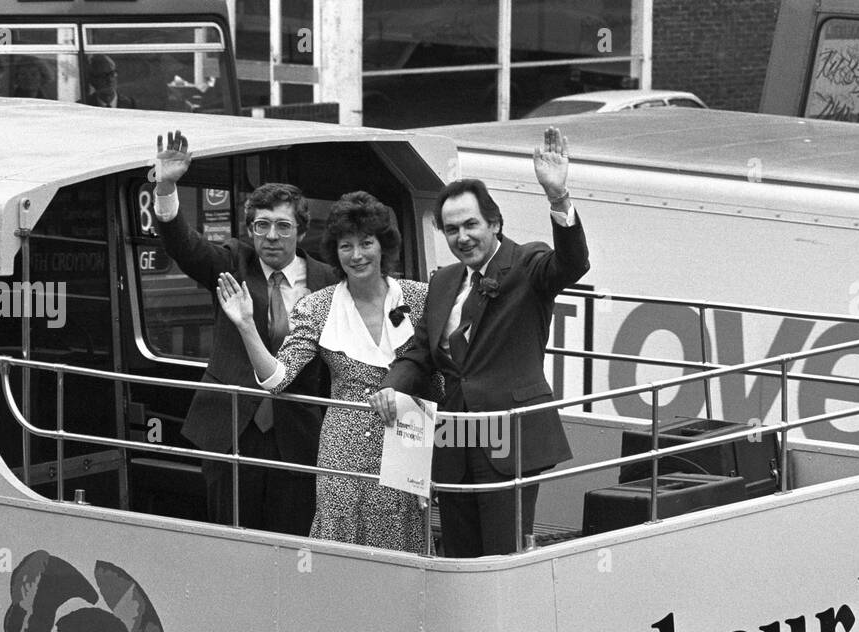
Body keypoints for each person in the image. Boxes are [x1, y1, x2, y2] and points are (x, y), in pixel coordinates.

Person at [369, 127, 589, 557]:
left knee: (504, 554)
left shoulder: (527, 263)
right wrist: (394, 387)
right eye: (451, 230)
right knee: (459, 550)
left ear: (495, 223)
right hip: (454, 437)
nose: (462, 237)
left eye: (471, 225)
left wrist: (559, 198)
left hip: (510, 435)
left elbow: (572, 263)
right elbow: (419, 352)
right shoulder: (444, 281)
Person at [217, 192, 435, 553]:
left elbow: (437, 374)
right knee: (340, 550)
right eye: (346, 246)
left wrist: (428, 457)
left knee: (403, 546)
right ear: (335, 252)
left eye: (366, 243)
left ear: (384, 246)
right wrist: (245, 326)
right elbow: (277, 378)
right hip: (342, 447)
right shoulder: (318, 305)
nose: (357, 255)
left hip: (407, 440)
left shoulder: (420, 297)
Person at [152, 130, 336, 531]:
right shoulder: (232, 264)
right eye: (262, 225)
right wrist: (166, 186)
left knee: (291, 546)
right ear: (250, 230)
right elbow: (184, 246)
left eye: (283, 227)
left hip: (298, 435)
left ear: (301, 232)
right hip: (232, 429)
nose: (272, 236)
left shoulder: (328, 280)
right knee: (231, 543)